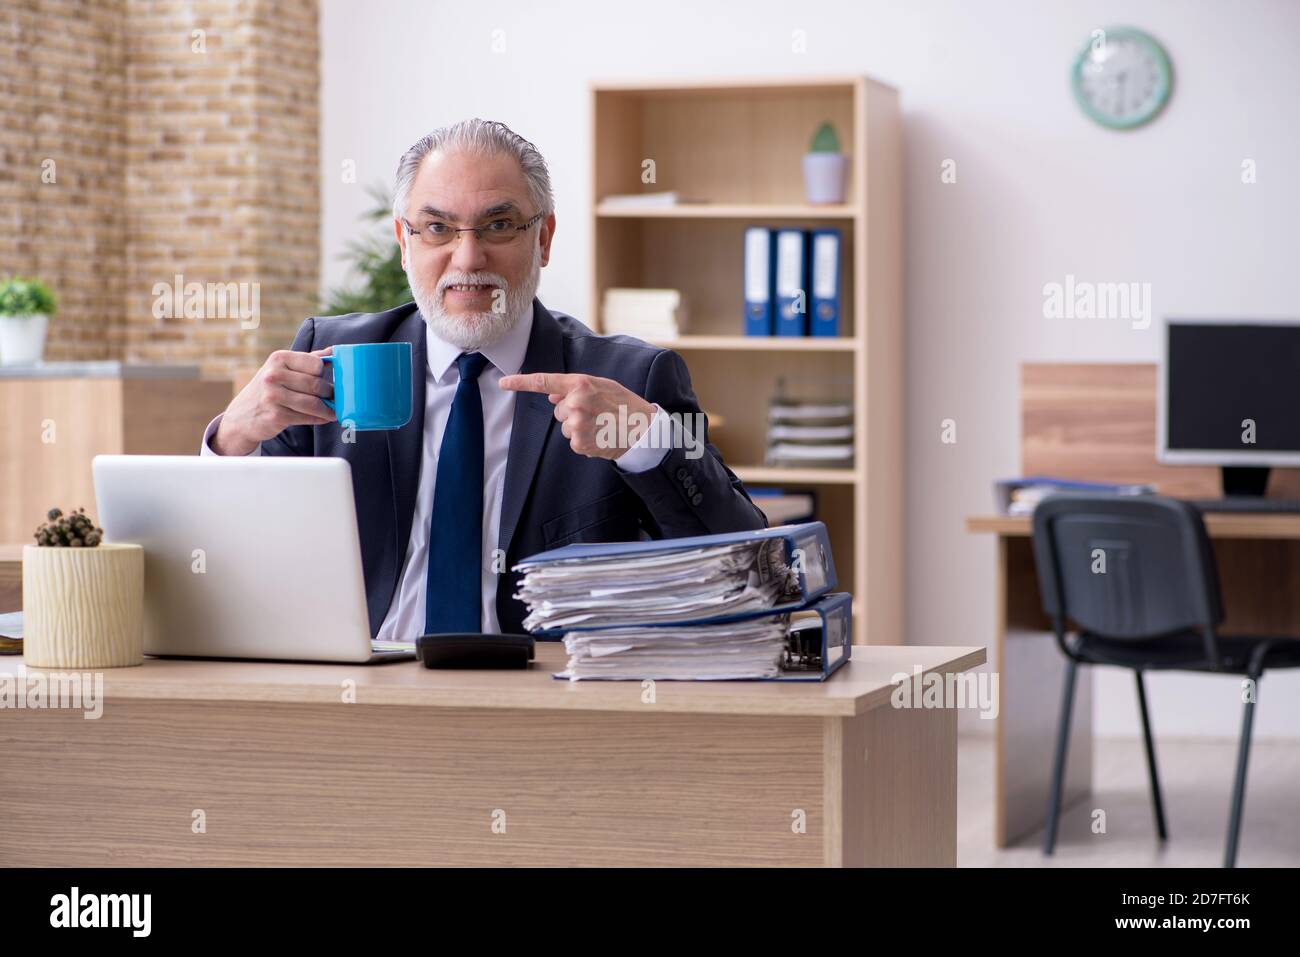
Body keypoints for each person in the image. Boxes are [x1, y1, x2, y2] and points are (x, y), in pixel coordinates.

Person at [200, 118, 765, 639]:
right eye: (438, 228)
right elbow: (224, 563)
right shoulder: (333, 359)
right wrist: (231, 441)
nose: (468, 258)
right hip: (359, 686)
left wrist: (649, 442)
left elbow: (751, 568)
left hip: (537, 701)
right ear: (404, 242)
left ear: (543, 238)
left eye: (498, 225)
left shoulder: (631, 378)